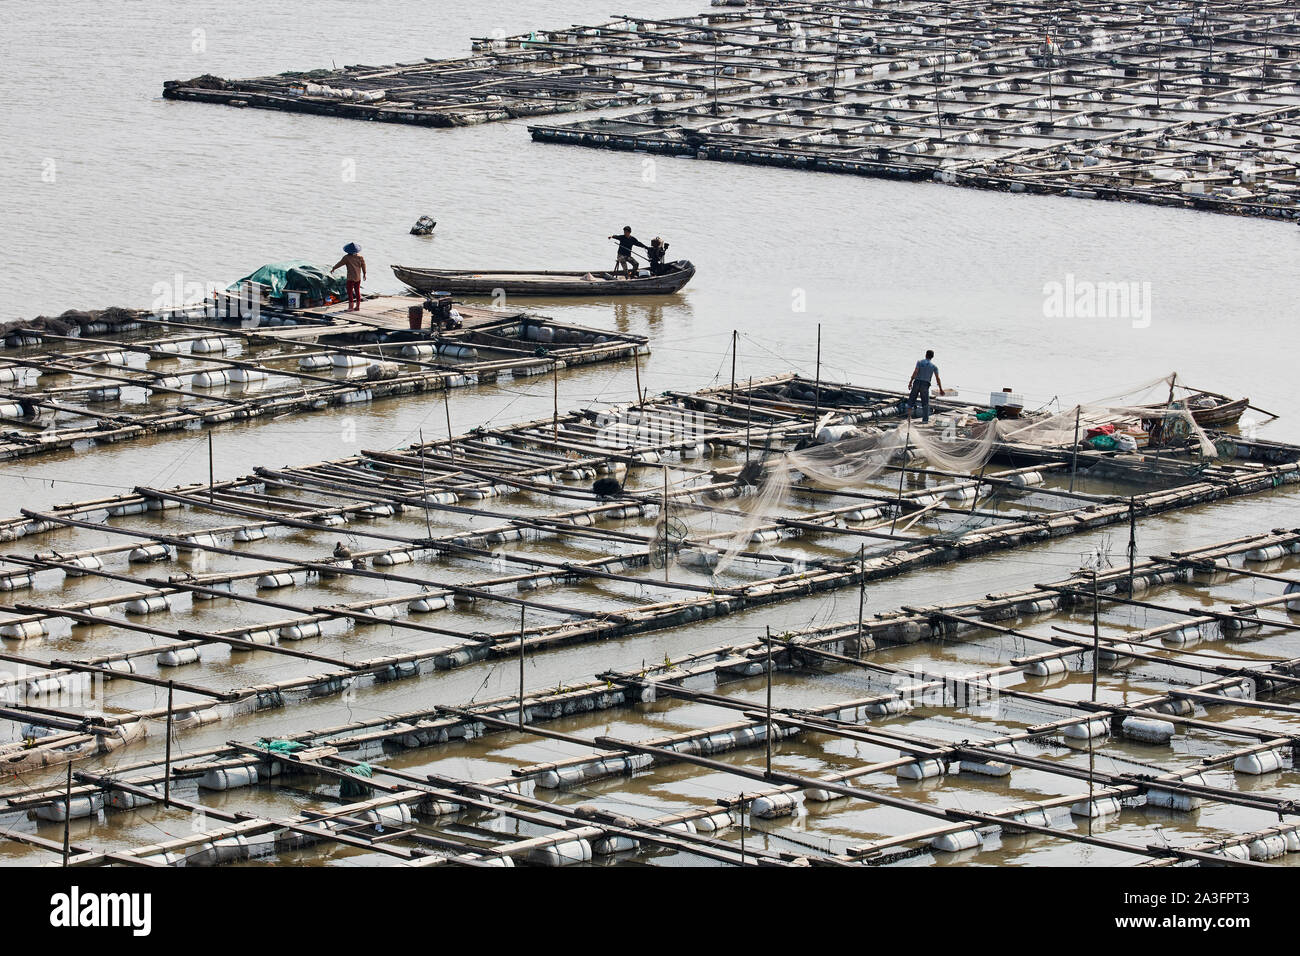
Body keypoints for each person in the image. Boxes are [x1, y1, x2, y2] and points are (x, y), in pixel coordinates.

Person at [906, 350, 944, 424]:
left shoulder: (919, 362)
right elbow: (937, 378)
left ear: (925, 355)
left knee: (911, 400)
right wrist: (941, 389)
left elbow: (915, 372)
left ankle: (909, 418)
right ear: (932, 357)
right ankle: (925, 420)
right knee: (925, 403)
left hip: (917, 382)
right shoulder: (934, 366)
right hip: (925, 384)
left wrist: (910, 381)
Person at [331, 242, 367, 311]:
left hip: (350, 278)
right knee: (357, 291)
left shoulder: (346, 257)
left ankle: (350, 307)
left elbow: (340, 263)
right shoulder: (360, 257)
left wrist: (334, 268)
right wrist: (364, 274)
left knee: (350, 292)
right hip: (358, 278)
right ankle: (357, 307)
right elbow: (363, 265)